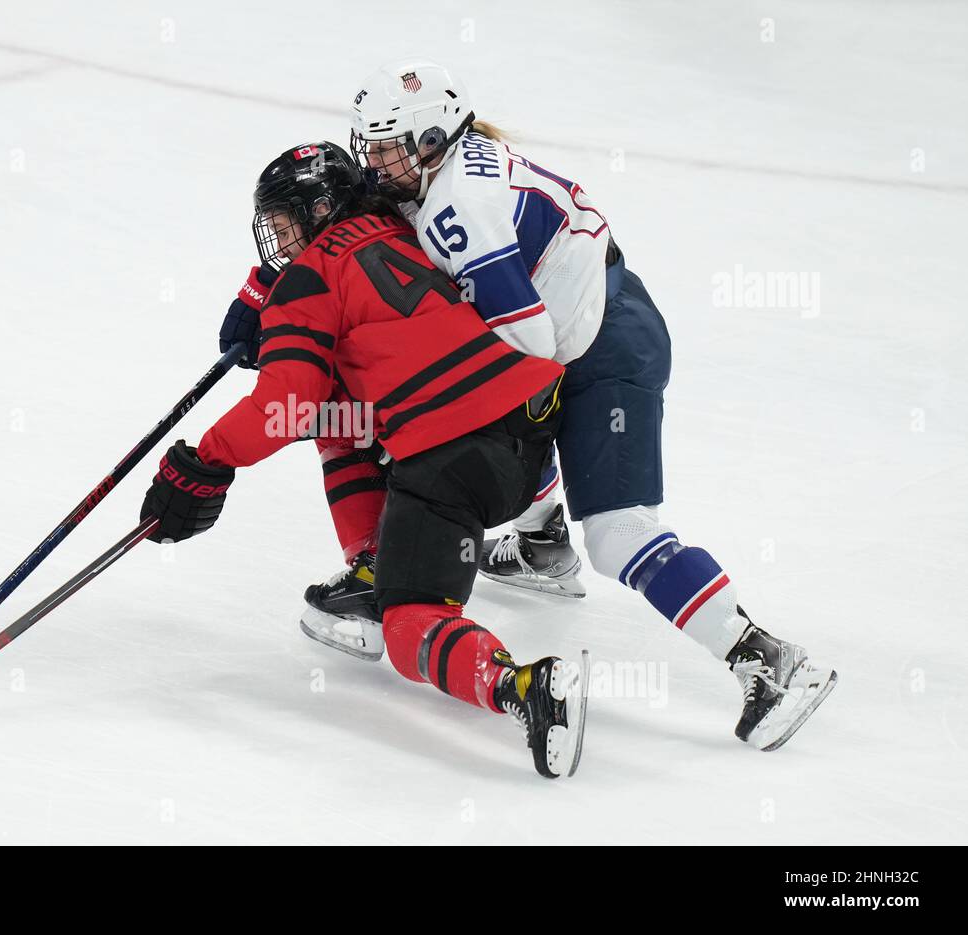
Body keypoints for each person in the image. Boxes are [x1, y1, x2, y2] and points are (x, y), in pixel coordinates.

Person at [340, 59, 836, 751]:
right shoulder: (445, 172)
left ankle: (769, 658)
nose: (375, 161)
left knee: (618, 533)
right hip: (589, 323)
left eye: (387, 146)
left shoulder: (459, 209)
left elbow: (530, 343)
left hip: (605, 345)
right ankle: (544, 545)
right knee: (496, 413)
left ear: (429, 141)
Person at [148, 142, 587, 778]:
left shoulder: (307, 278)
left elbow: (286, 405)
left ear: (319, 209)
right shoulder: (401, 221)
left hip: (453, 457)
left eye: (284, 222)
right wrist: (261, 296)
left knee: (410, 627)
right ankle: (375, 561)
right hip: (530, 428)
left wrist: (204, 461)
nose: (277, 239)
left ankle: (526, 687)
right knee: (340, 410)